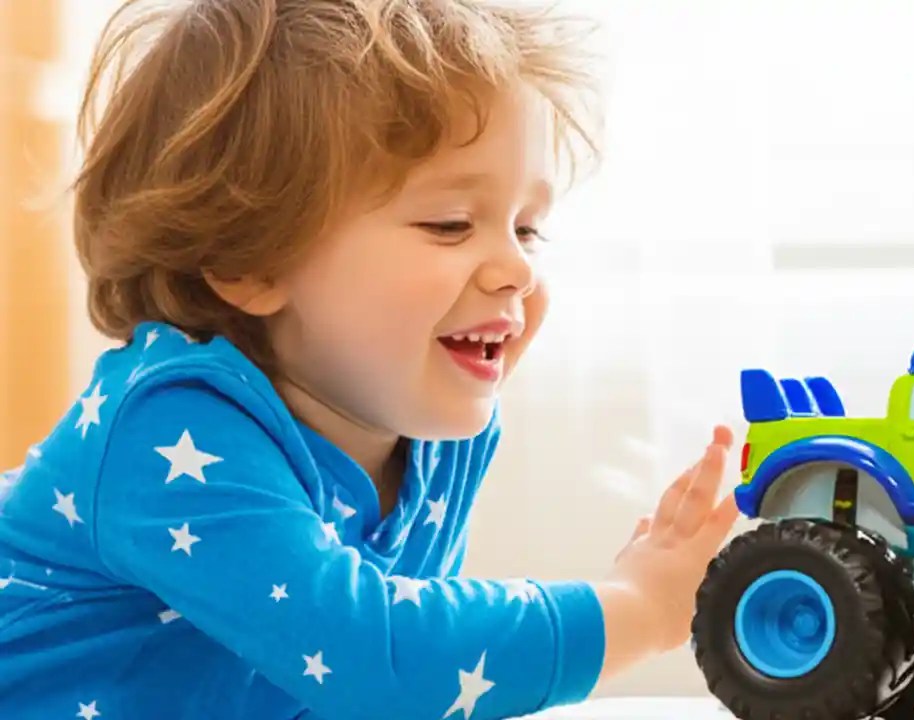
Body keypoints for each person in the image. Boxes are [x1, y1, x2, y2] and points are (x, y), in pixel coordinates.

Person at [0, 1, 740, 718]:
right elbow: (380, 660)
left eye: (528, 229)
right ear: (249, 261)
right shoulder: (166, 428)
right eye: (450, 224)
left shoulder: (431, 432)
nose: (515, 268)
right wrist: (635, 609)